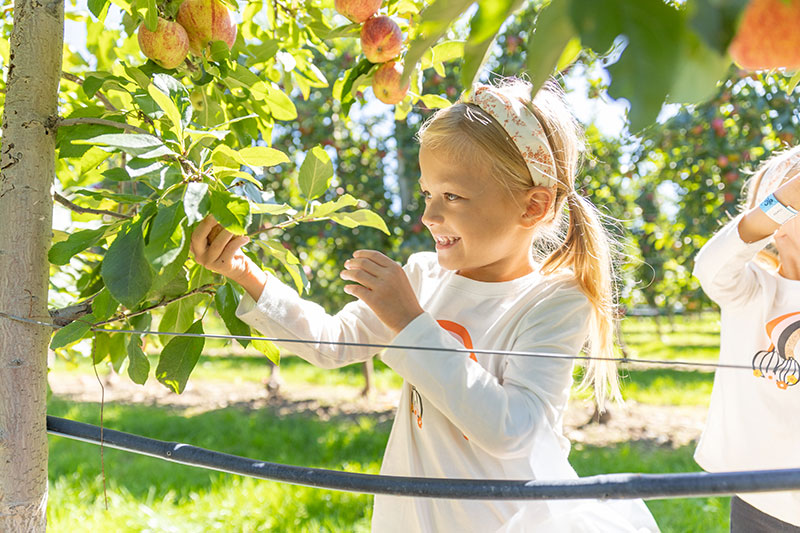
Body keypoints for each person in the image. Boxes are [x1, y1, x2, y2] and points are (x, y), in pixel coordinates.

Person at [191, 78, 658, 532]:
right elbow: (329, 345)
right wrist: (243, 272)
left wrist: (410, 321)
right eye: (428, 194)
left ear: (533, 207)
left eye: (452, 196)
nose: (429, 216)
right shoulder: (422, 276)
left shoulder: (552, 301)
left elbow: (512, 431)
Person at [693, 146, 800, 532]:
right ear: (776, 223)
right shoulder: (752, 291)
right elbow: (710, 266)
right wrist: (782, 202)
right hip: (763, 501)